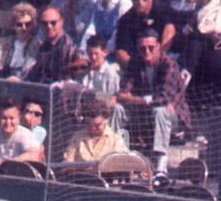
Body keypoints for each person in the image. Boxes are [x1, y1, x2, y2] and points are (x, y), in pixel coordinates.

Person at [118, 28, 192, 175]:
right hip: (144, 114)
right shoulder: (135, 62)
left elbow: (163, 99)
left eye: (151, 47)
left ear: (158, 46)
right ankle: (116, 154)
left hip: (174, 118)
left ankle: (161, 166)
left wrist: (134, 99)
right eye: (142, 48)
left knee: (160, 110)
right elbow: (124, 91)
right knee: (118, 108)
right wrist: (129, 98)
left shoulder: (169, 64)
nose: (147, 51)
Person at [62, 94, 129, 162]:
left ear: (106, 121)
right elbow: (67, 165)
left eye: (97, 125)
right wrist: (83, 169)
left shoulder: (116, 141)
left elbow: (124, 165)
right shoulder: (77, 137)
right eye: (89, 125)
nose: (93, 129)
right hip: (79, 173)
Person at [0, 98, 45, 165]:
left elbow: (34, 155)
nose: (8, 122)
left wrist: (11, 162)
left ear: (19, 118)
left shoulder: (25, 134)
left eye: (11, 118)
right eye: (4, 118)